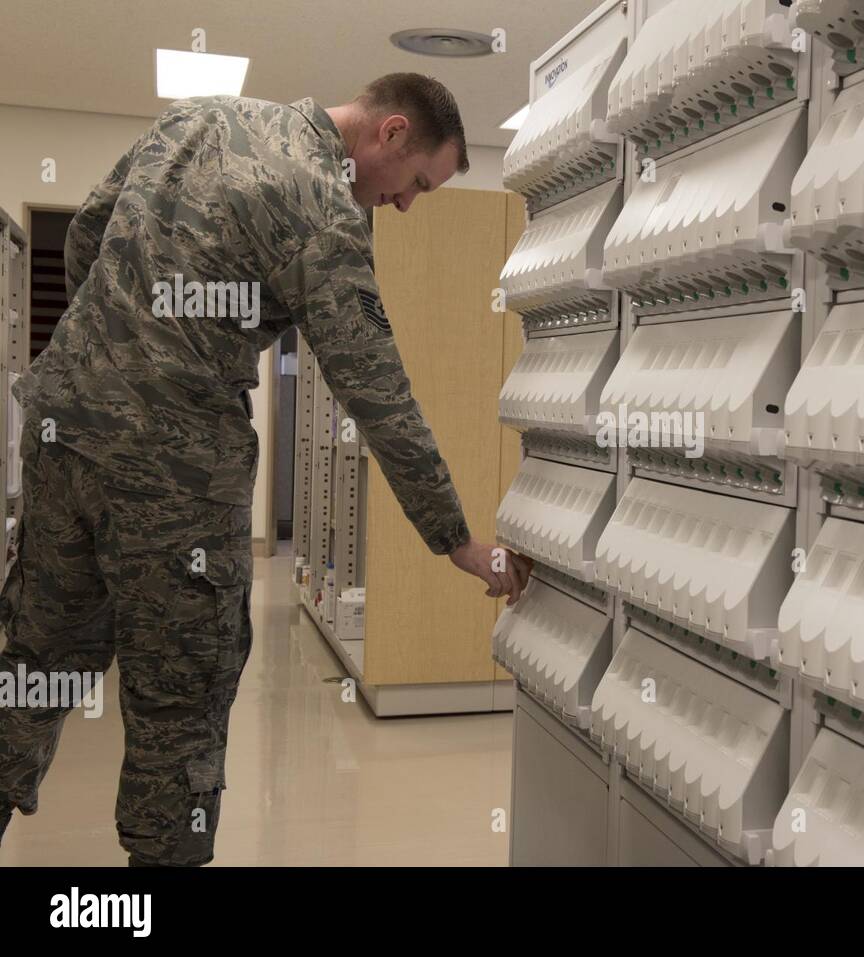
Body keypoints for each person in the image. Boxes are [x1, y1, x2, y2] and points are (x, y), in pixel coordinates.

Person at [0, 73, 532, 865]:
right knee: (181, 701)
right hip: (173, 471)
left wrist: (111, 360)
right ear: (390, 134)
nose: (409, 203)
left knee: (34, 660)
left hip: (62, 431)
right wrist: (454, 540)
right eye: (418, 181)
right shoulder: (322, 205)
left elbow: (87, 230)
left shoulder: (198, 117)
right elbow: (375, 390)